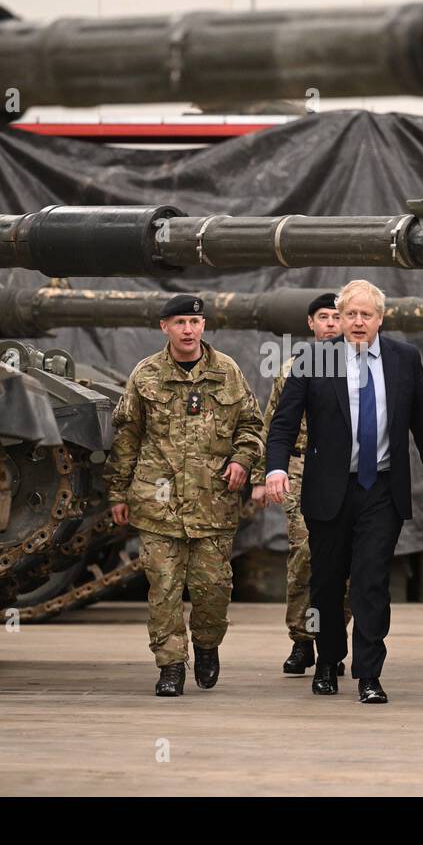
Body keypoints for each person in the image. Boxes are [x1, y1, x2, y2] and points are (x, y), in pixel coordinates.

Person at [265, 279, 423, 704]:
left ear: (381, 319)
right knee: (326, 583)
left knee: (370, 581)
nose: (358, 322)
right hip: (329, 489)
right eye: (351, 315)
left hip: (381, 488)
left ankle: (369, 674)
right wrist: (275, 469)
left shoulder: (404, 359)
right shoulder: (315, 359)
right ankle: (328, 661)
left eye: (367, 315)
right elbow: (283, 422)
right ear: (340, 319)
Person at [107, 294, 264, 697]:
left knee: (212, 589)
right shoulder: (146, 376)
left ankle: (207, 644)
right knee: (164, 588)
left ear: (204, 326)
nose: (188, 330)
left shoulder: (227, 372)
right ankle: (171, 665)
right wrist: (117, 492)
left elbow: (251, 425)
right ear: (165, 327)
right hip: (157, 502)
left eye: (195, 322)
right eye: (179, 323)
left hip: (213, 501)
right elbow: (127, 436)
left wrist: (243, 461)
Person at [250, 292, 351, 675]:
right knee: (306, 551)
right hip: (298, 466)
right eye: (322, 317)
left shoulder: (359, 366)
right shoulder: (293, 366)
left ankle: (332, 641)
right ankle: (302, 640)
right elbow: (273, 423)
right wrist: (265, 474)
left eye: (335, 316)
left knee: (345, 559)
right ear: (310, 324)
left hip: (342, 467)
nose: (330, 323)